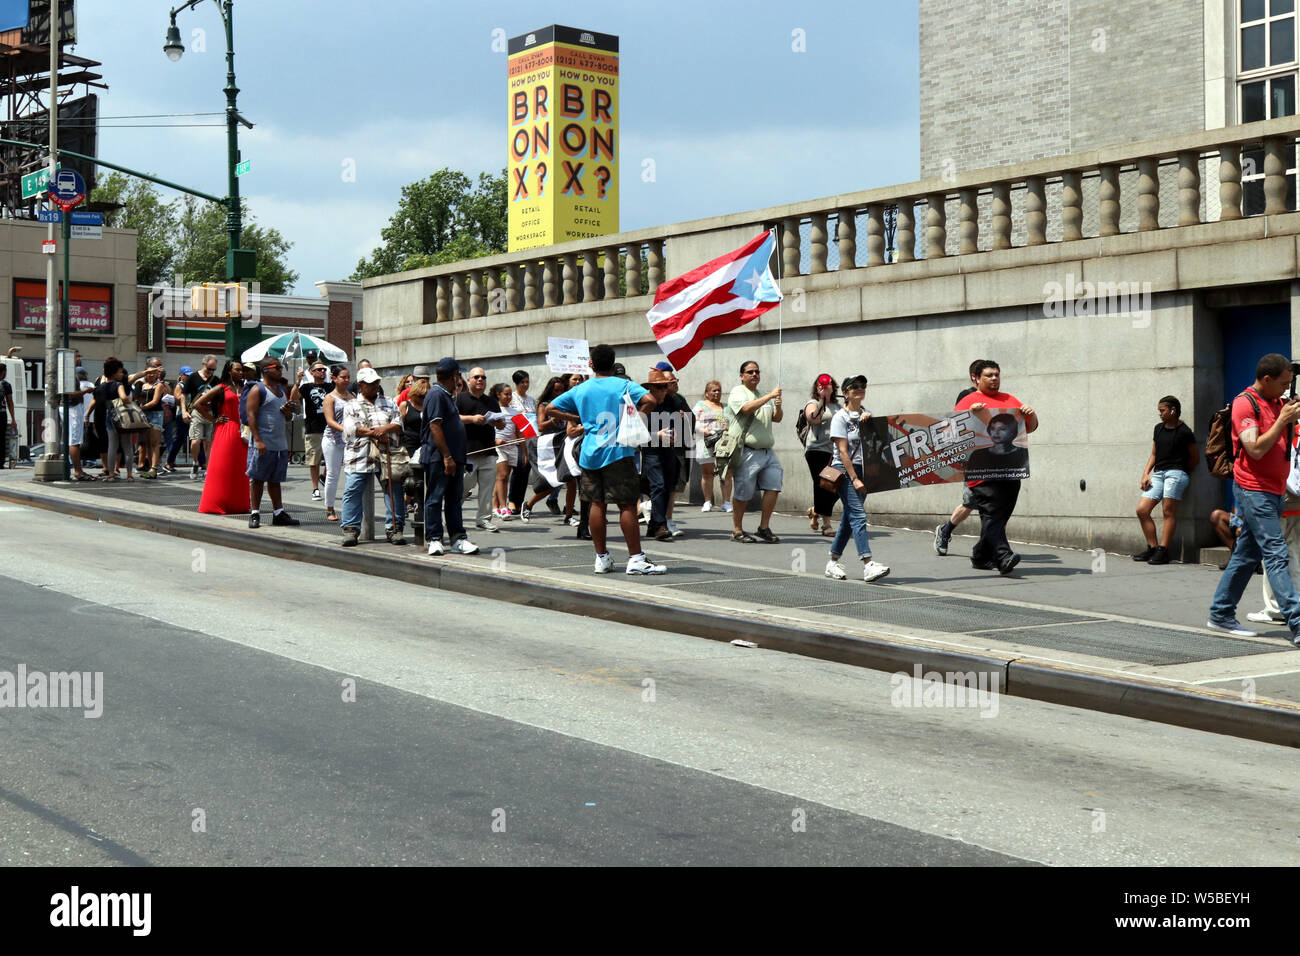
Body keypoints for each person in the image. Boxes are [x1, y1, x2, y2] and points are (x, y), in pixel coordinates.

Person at [543, 343, 665, 574]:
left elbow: (550, 408)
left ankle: (602, 558)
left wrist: (574, 416)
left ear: (591, 364)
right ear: (612, 362)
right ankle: (636, 559)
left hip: (590, 453)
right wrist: (635, 416)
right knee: (627, 504)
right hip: (618, 451)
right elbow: (650, 399)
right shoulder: (624, 385)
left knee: (596, 504)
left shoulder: (582, 389)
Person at [1208, 353, 1300, 642]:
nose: (1287, 389)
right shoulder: (1244, 404)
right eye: (1283, 383)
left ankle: (1221, 614)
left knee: (1246, 555)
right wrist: (1283, 419)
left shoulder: (1277, 402)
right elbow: (1256, 449)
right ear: (1267, 379)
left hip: (1274, 489)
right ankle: (1297, 622)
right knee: (1276, 552)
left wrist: (1287, 414)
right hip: (1253, 488)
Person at [951, 360, 1038, 574]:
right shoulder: (968, 401)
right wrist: (970, 414)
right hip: (981, 471)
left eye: (997, 374)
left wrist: (1030, 414)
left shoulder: (1010, 400)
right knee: (991, 512)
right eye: (989, 375)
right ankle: (1003, 556)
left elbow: (1030, 428)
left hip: (1010, 470)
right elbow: (953, 433)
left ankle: (981, 555)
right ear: (977, 378)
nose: (994, 379)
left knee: (999, 516)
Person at [824, 374, 892, 583]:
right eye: (854, 387)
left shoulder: (866, 414)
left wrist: (869, 422)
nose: (860, 389)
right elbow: (843, 452)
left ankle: (832, 562)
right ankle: (868, 564)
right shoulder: (840, 417)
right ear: (845, 392)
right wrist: (854, 478)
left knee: (848, 519)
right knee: (859, 516)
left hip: (864, 471)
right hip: (846, 471)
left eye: (862, 386)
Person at [340, 367, 406, 547]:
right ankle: (350, 529)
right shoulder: (351, 405)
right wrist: (377, 432)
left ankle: (395, 528)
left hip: (386, 453)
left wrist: (384, 429)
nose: (375, 386)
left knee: (393, 489)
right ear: (361, 385)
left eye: (377, 382)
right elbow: (352, 429)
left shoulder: (389, 402)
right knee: (353, 489)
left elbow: (398, 423)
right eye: (371, 384)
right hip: (359, 454)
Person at [421, 357, 479, 556]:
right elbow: (435, 426)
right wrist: (447, 456)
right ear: (454, 376)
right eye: (458, 375)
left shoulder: (447, 395)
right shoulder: (437, 395)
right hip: (440, 458)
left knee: (454, 499)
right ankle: (434, 539)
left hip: (455, 457)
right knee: (436, 498)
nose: (460, 379)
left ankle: (458, 538)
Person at [1133, 395, 1199, 565]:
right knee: (1142, 510)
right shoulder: (1158, 429)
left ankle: (1163, 551)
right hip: (1159, 474)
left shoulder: (1185, 431)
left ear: (1173, 410)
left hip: (1176, 474)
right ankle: (1153, 548)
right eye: (1159, 411)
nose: (1160, 414)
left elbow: (1195, 458)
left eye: (1162, 410)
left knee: (1168, 511)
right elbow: (1154, 453)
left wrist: (1182, 471)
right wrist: (1145, 473)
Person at [726, 359, 784, 543]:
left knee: (774, 487)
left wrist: (778, 405)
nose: (754, 375)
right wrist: (769, 397)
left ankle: (764, 527)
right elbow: (745, 408)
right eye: (750, 372)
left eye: (757, 371)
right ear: (742, 376)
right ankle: (737, 530)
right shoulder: (738, 392)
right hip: (747, 451)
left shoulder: (761, 393)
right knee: (743, 493)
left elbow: (777, 418)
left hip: (767, 451)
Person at [935, 360, 988, 555]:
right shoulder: (966, 396)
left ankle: (991, 549)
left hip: (992, 458)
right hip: (973, 458)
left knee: (993, 505)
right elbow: (954, 424)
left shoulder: (995, 398)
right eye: (985, 376)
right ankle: (945, 530)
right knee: (970, 502)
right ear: (975, 377)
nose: (991, 380)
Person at [243, 358, 300, 529]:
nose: (281, 370)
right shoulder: (257, 389)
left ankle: (278, 513)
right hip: (262, 443)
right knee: (258, 479)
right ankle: (255, 513)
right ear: (266, 370)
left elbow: (288, 417)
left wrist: (287, 412)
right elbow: (251, 416)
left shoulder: (281, 390)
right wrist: (258, 440)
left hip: (279, 444)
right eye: (278, 367)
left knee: (275, 480)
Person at [195, 361, 251, 515]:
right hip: (226, 428)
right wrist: (214, 419)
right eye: (237, 370)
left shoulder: (244, 388)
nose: (241, 372)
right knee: (223, 466)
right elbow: (197, 404)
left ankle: (238, 504)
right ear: (229, 371)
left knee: (240, 467)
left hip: (242, 431)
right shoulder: (221, 388)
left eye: (242, 370)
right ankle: (216, 503)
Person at [456, 366, 507, 533]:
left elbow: (500, 421)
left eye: (483, 377)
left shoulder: (491, 401)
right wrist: (472, 419)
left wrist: (500, 423)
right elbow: (453, 418)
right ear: (469, 380)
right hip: (468, 452)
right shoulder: (460, 398)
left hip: (488, 450)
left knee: (487, 489)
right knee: (463, 487)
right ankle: (454, 516)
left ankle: (484, 519)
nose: (480, 380)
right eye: (476, 377)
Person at [642, 367, 680, 542]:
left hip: (668, 450)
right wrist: (657, 435)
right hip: (651, 451)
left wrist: (677, 432)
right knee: (657, 485)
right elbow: (636, 434)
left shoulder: (671, 402)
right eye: (659, 387)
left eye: (665, 387)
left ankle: (653, 526)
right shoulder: (643, 406)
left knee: (666, 488)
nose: (663, 390)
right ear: (651, 389)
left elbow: (683, 419)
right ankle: (659, 525)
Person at [524, 376, 569, 517]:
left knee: (570, 480)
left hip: (564, 445)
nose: (559, 394)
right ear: (550, 391)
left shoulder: (566, 404)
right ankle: (529, 504)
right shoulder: (545, 405)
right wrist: (553, 420)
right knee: (553, 482)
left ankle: (569, 514)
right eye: (556, 390)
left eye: (562, 390)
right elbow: (541, 426)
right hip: (549, 448)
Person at [803, 373, 841, 536]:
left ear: (834, 387)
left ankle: (815, 510)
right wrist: (822, 400)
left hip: (835, 452)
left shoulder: (839, 407)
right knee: (823, 485)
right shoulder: (812, 403)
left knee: (837, 487)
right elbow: (814, 419)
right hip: (816, 450)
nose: (824, 387)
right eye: (820, 385)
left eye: (827, 385)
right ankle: (826, 525)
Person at [693, 380, 731, 513]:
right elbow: (694, 423)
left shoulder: (725, 406)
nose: (717, 392)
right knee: (707, 474)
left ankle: (726, 502)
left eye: (719, 390)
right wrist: (707, 432)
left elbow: (730, 422)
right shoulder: (700, 405)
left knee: (725, 474)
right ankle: (707, 501)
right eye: (714, 390)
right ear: (707, 393)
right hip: (706, 443)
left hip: (723, 444)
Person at [296, 362, 332, 501]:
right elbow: (294, 397)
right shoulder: (306, 387)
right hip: (313, 428)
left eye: (324, 369)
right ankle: (315, 489)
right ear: (312, 372)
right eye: (318, 369)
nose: (322, 371)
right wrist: (298, 381)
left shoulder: (330, 386)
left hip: (329, 427)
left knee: (332, 459)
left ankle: (324, 476)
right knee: (314, 460)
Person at [322, 365, 351, 522]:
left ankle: (349, 507)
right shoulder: (330, 398)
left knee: (351, 474)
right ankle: (329, 508)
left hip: (349, 440)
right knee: (333, 474)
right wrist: (346, 429)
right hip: (332, 440)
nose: (346, 380)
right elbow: (330, 421)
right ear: (334, 378)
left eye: (348, 377)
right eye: (343, 377)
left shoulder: (352, 396)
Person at [182, 355, 219, 479]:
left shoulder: (215, 380)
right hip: (197, 412)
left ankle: (208, 468)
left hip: (210, 414)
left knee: (208, 443)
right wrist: (183, 411)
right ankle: (195, 461)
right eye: (209, 369)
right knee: (195, 441)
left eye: (214, 369)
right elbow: (183, 395)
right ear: (203, 364)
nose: (211, 372)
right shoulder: (193, 377)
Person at [507, 369, 537, 517]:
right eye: (522, 382)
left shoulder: (531, 399)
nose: (525, 385)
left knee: (526, 469)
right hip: (516, 438)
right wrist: (521, 416)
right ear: (516, 383)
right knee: (519, 466)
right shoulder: (511, 398)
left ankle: (519, 502)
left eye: (527, 381)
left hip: (530, 437)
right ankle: (512, 500)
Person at [399, 376, 429, 521]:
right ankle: (407, 502)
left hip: (425, 442)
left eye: (425, 396)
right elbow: (400, 425)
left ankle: (413, 503)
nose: (422, 399)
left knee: (422, 477)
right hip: (410, 443)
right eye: (420, 396)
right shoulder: (405, 405)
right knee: (413, 477)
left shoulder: (428, 406)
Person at [489, 382, 519, 519]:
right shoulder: (494, 410)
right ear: (498, 395)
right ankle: (503, 507)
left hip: (512, 446)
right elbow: (488, 429)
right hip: (499, 447)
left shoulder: (515, 411)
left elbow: (519, 432)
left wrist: (523, 451)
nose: (509, 397)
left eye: (510, 394)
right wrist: (495, 440)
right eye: (506, 394)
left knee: (505, 478)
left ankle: (495, 507)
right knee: (501, 476)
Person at [136, 360, 167, 479]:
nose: (151, 375)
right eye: (149, 372)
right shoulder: (142, 385)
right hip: (144, 415)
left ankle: (154, 468)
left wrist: (141, 408)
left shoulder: (159, 385)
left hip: (155, 414)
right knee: (147, 443)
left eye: (154, 373)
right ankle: (150, 467)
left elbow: (155, 401)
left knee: (155, 443)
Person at [67, 367, 94, 480]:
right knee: (75, 441)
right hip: (72, 407)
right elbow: (69, 394)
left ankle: (79, 470)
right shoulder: (67, 376)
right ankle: (78, 471)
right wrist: (85, 391)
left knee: (76, 441)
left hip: (73, 408)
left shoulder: (65, 374)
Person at [0, 362, 12, 470]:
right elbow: (10, 403)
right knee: (2, 439)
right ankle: (0, 462)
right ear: (4, 372)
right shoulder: (6, 385)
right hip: (1, 414)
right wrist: (13, 418)